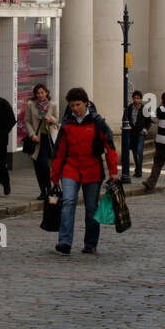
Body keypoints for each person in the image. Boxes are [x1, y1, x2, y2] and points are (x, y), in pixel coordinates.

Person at [49, 86, 117, 255]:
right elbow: (59, 151)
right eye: (72, 106)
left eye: (78, 105)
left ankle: (90, 243)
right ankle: (64, 242)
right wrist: (55, 175)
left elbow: (110, 147)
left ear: (86, 104)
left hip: (92, 170)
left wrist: (113, 171)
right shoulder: (67, 124)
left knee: (91, 208)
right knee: (68, 202)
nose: (75, 109)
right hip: (71, 168)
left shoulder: (98, 123)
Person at [24, 84, 60, 196]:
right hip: (36, 139)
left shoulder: (52, 105)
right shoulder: (30, 105)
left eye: (42, 92)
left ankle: (49, 188)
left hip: (47, 138)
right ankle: (42, 191)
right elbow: (27, 121)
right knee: (37, 166)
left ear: (46, 93)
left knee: (44, 165)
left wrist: (51, 119)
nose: (40, 95)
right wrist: (31, 134)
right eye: (38, 93)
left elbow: (56, 119)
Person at [121, 90, 151, 178]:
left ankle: (139, 170)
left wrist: (145, 130)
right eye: (134, 98)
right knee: (134, 152)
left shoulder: (144, 109)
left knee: (139, 151)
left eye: (138, 98)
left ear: (141, 99)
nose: (136, 100)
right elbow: (125, 118)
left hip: (141, 133)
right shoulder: (129, 108)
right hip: (131, 133)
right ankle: (137, 169)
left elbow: (148, 121)